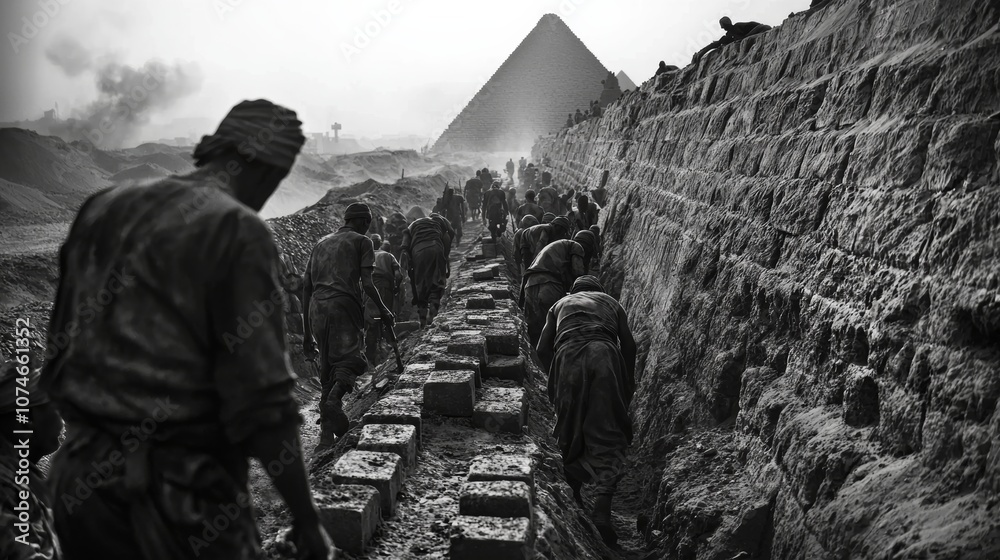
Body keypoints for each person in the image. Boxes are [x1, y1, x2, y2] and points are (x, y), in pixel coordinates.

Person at [41, 99, 335, 559]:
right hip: (176, 499)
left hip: (80, 488)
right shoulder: (237, 229)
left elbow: (57, 350)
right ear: (273, 168)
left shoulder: (103, 206)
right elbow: (263, 404)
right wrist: (306, 519)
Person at [535, 275, 636, 546]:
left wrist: (554, 376)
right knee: (608, 427)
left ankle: (574, 493)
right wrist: (627, 380)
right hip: (604, 354)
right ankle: (602, 507)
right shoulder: (611, 302)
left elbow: (542, 348)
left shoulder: (559, 304)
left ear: (573, 290)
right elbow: (628, 345)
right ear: (598, 291)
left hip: (566, 356)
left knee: (570, 426)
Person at [304, 203, 395, 448]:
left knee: (327, 366)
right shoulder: (362, 242)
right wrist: (384, 310)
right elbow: (367, 283)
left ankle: (325, 435)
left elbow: (306, 288)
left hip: (317, 308)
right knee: (352, 359)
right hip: (344, 305)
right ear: (365, 222)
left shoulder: (321, 243)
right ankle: (333, 401)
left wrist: (306, 333)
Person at [1, 363, 63, 560]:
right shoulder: (5, 486)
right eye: (58, 410)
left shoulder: (24, 481)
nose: (63, 422)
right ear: (27, 418)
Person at [517, 230, 595, 345]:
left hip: (530, 285)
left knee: (534, 330)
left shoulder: (556, 247)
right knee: (553, 328)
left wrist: (520, 301)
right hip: (549, 285)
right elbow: (577, 271)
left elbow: (527, 273)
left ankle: (537, 360)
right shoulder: (577, 247)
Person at [402, 215, 452, 327]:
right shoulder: (439, 223)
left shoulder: (412, 226)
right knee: (437, 279)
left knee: (420, 282)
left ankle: (422, 317)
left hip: (418, 251)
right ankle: (433, 311)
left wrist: (410, 263)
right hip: (436, 248)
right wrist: (445, 256)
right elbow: (449, 235)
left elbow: (404, 246)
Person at [363, 235, 403, 367]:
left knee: (371, 321)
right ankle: (393, 354)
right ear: (380, 243)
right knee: (387, 317)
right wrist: (396, 287)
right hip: (385, 288)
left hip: (369, 290)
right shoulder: (388, 256)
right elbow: (398, 275)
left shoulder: (364, 257)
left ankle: (370, 357)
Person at [692, 16, 772, 63]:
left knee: (746, 38)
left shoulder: (738, 26)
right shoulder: (728, 36)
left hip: (762, 29)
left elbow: (758, 25)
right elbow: (715, 44)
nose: (722, 27)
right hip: (752, 37)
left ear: (726, 24)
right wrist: (701, 52)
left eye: (722, 25)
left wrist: (748, 36)